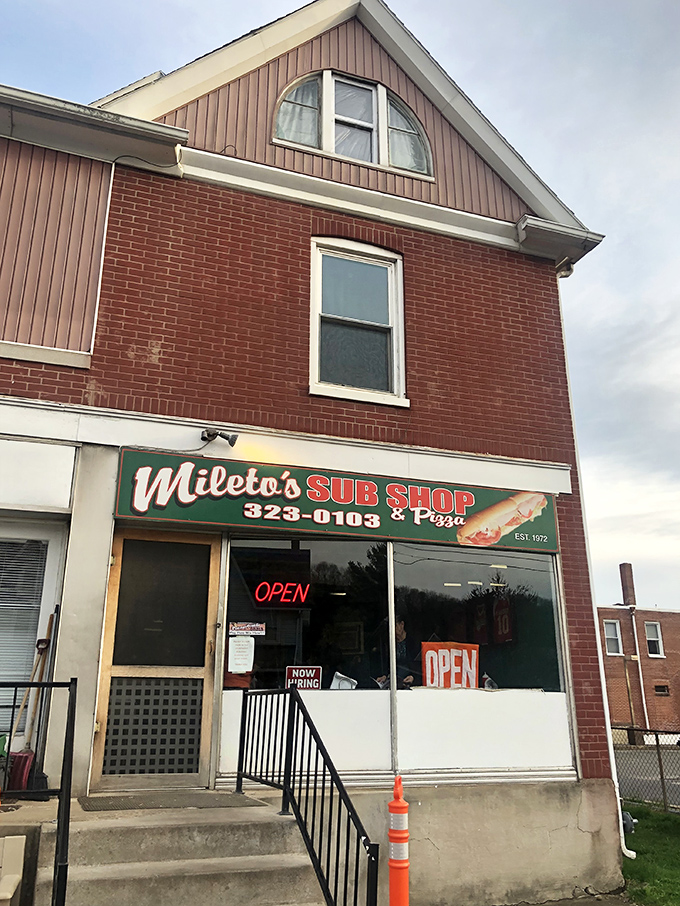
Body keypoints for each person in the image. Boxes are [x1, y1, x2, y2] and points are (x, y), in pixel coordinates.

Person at [375, 614, 421, 688]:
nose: (392, 630)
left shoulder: (413, 642)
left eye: (394, 626)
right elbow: (386, 665)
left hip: (408, 682)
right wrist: (384, 676)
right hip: (393, 681)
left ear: (402, 624)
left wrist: (413, 677)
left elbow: (419, 666)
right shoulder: (388, 643)